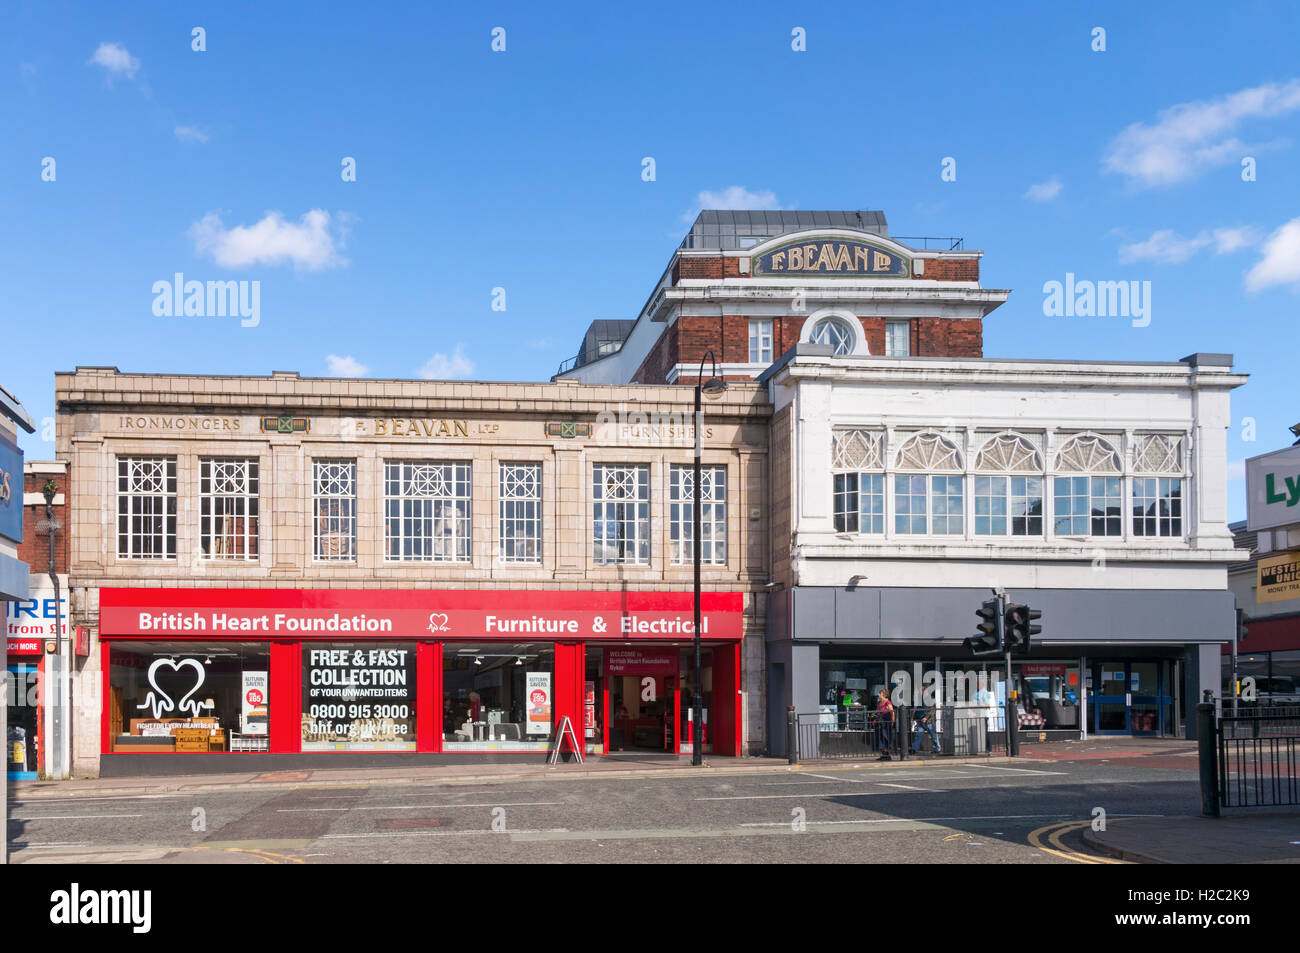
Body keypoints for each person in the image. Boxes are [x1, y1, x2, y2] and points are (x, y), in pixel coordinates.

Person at [874, 688, 895, 760]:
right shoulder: (879, 703)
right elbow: (877, 712)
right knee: (880, 738)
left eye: (879, 693)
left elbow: (892, 713)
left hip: (886, 722)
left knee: (886, 737)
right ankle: (883, 754)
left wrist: (892, 722)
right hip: (880, 722)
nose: (878, 695)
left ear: (883, 694)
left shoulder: (888, 703)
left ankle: (887, 755)